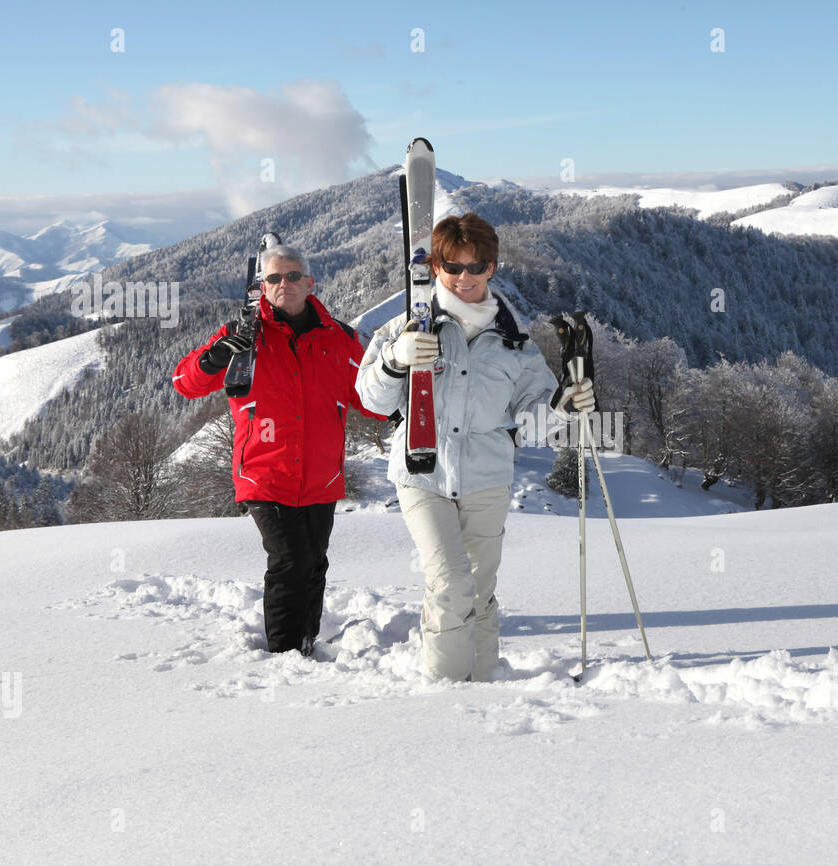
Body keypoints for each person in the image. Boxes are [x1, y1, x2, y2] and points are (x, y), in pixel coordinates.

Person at [356, 213, 595, 682]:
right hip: (422, 472)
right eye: (453, 266)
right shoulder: (407, 326)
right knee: (450, 583)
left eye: (477, 266)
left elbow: (532, 420)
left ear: (492, 268)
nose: (465, 277)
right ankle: (448, 695)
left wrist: (566, 406)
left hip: (487, 478)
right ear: (436, 268)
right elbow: (369, 398)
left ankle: (484, 684)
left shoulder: (514, 344)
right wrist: (394, 360)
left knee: (480, 588)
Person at [173, 243, 382, 655]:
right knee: (289, 562)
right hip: (264, 473)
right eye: (274, 278)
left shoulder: (339, 338)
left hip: (322, 475)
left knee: (314, 564)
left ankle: (307, 642)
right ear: (261, 288)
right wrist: (214, 358)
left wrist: (405, 393)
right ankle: (284, 655)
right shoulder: (243, 337)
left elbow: (372, 399)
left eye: (291, 276)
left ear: (309, 282)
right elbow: (185, 383)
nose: (283, 284)